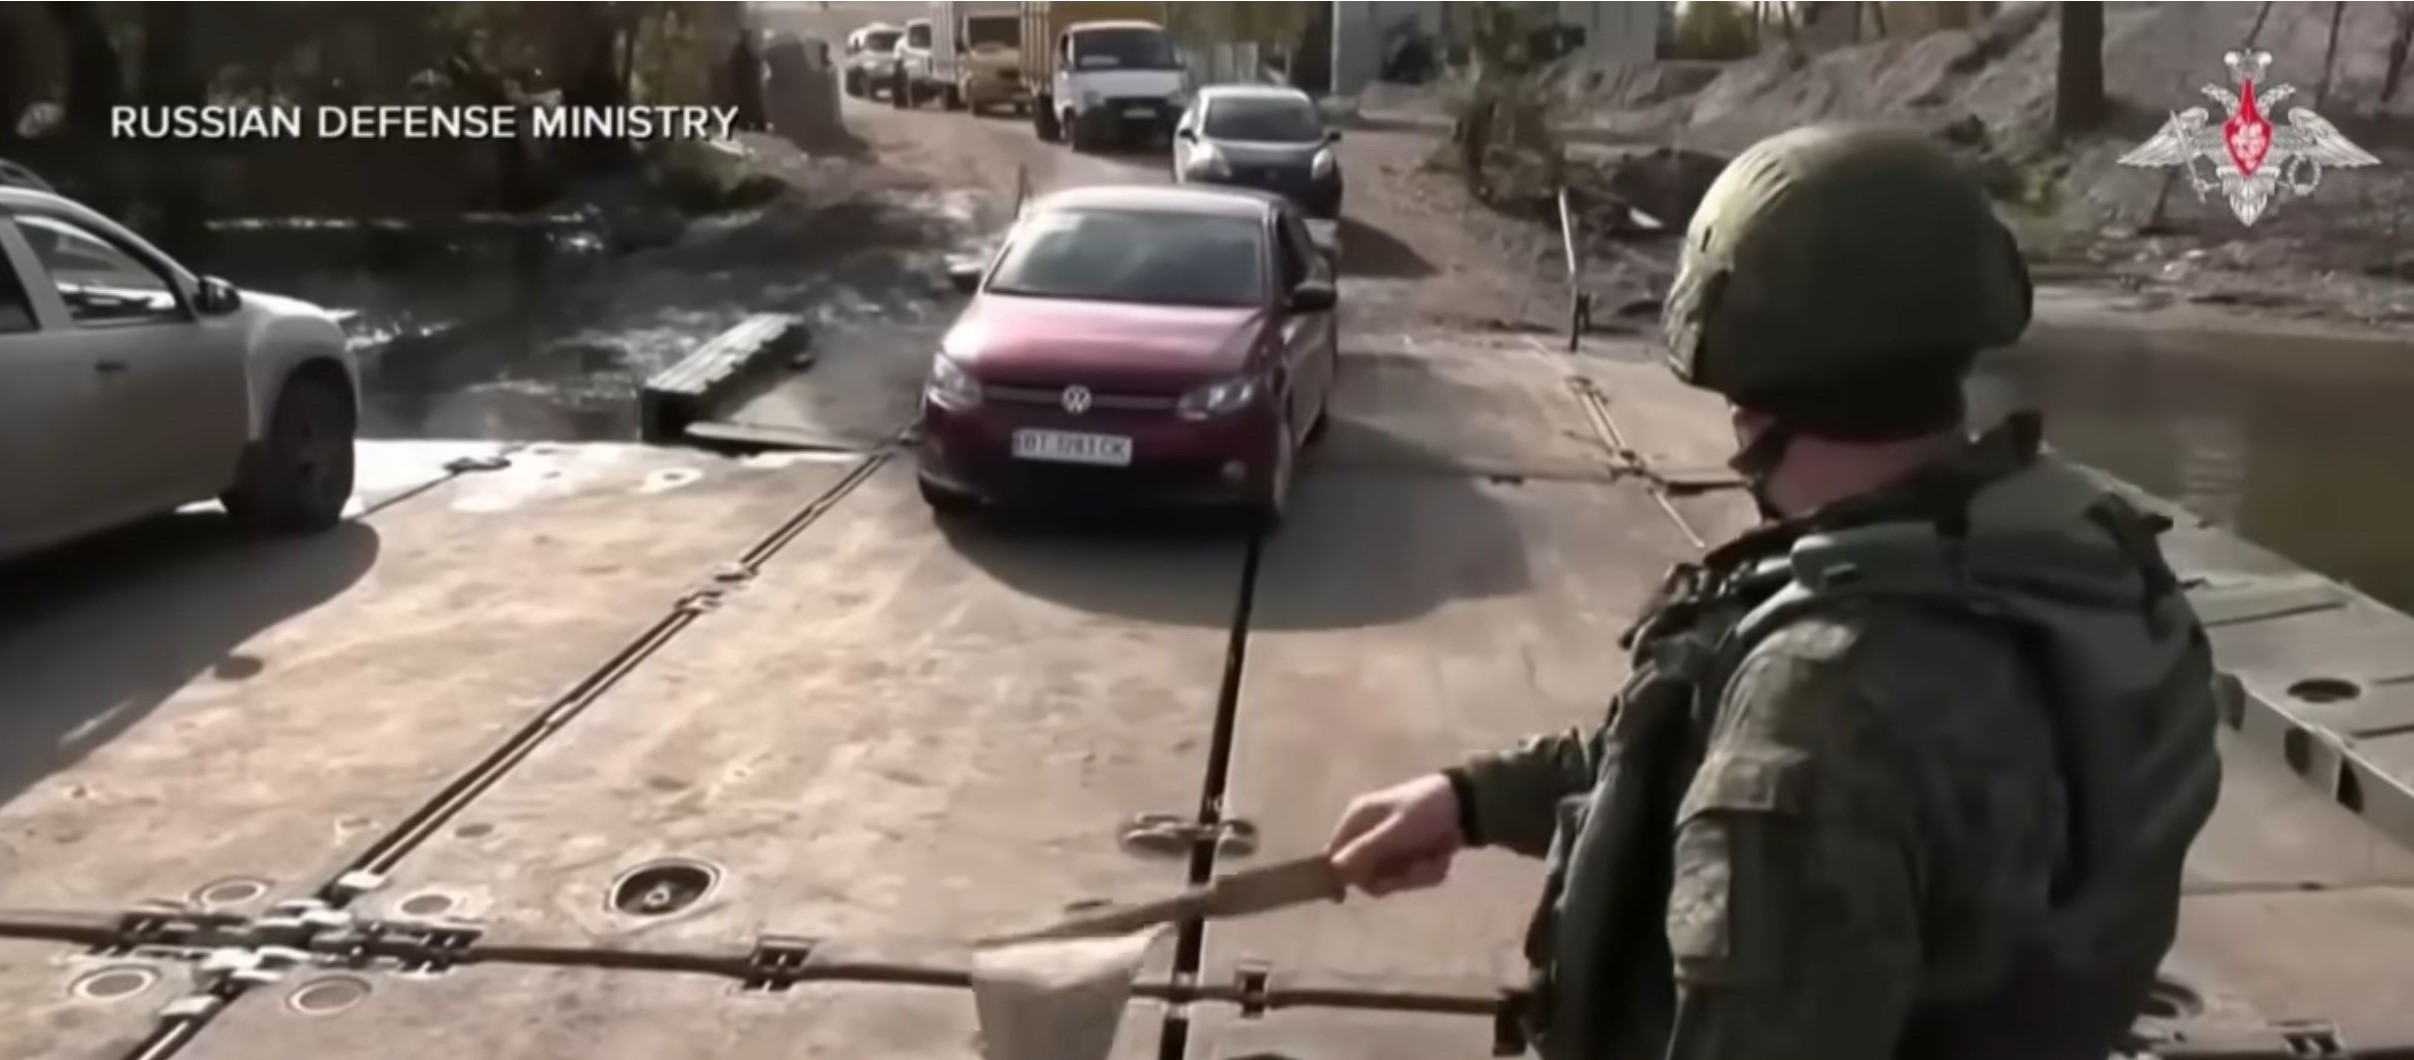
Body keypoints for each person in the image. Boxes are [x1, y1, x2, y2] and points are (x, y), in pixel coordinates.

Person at [1323, 124, 2224, 1060]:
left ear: (1746, 384)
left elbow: (1785, 785)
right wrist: (1469, 799)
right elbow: (1684, 742)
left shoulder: (1820, 698)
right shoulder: (2063, 558)